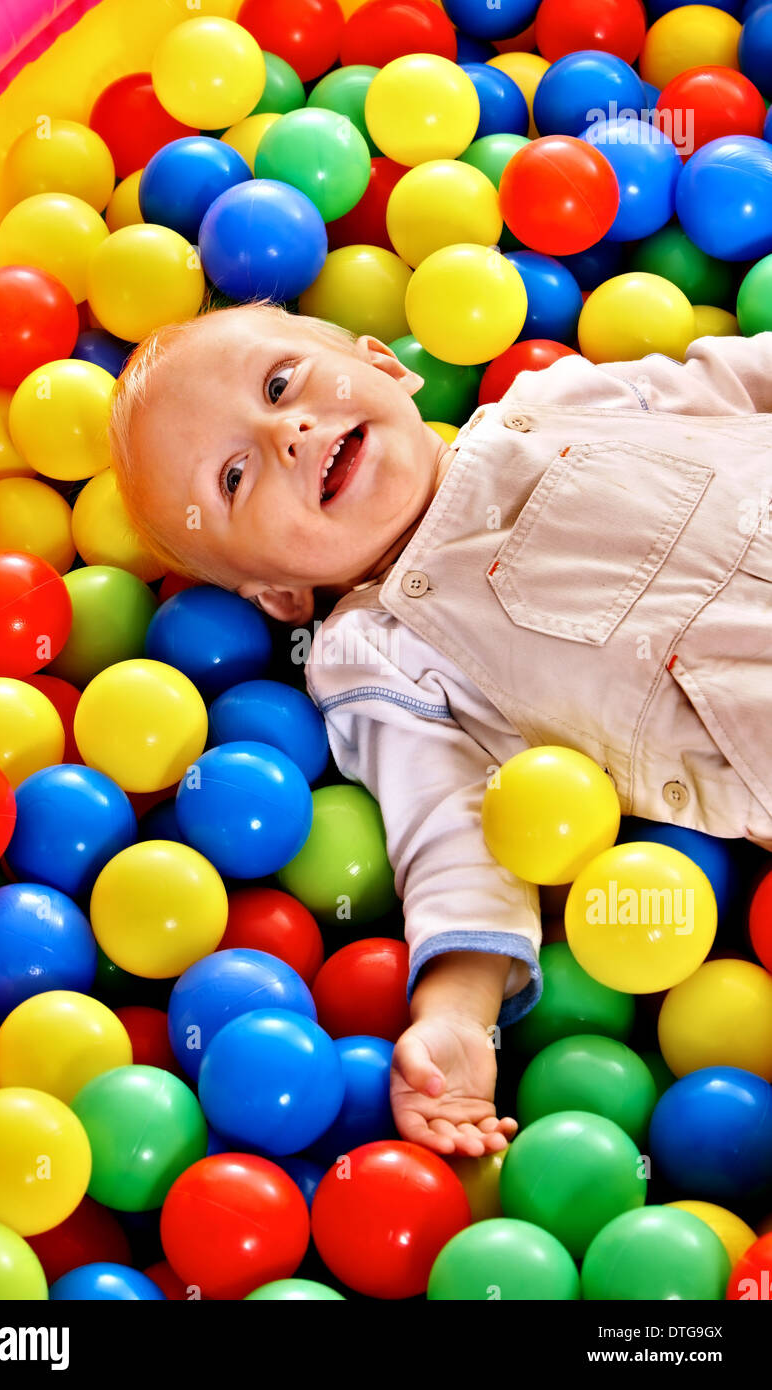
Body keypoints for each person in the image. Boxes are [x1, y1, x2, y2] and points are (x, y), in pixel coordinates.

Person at [109, 300, 772, 1157]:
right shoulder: (377, 649)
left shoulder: (556, 397)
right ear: (276, 594)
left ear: (386, 365)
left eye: (281, 384)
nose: (289, 433)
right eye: (234, 478)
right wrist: (459, 1012)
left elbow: (729, 381)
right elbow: (457, 829)